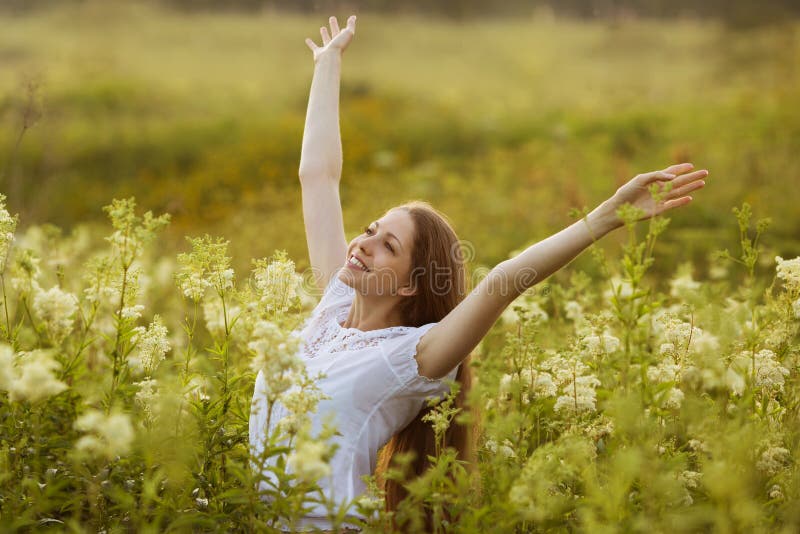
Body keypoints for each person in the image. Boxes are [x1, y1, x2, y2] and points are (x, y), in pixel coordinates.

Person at [249, 15, 708, 532]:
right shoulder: (332, 305)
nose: (363, 244)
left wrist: (606, 216)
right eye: (370, 229)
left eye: (387, 245)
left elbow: (506, 279)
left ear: (410, 284)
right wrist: (327, 64)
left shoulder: (411, 356)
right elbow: (318, 178)